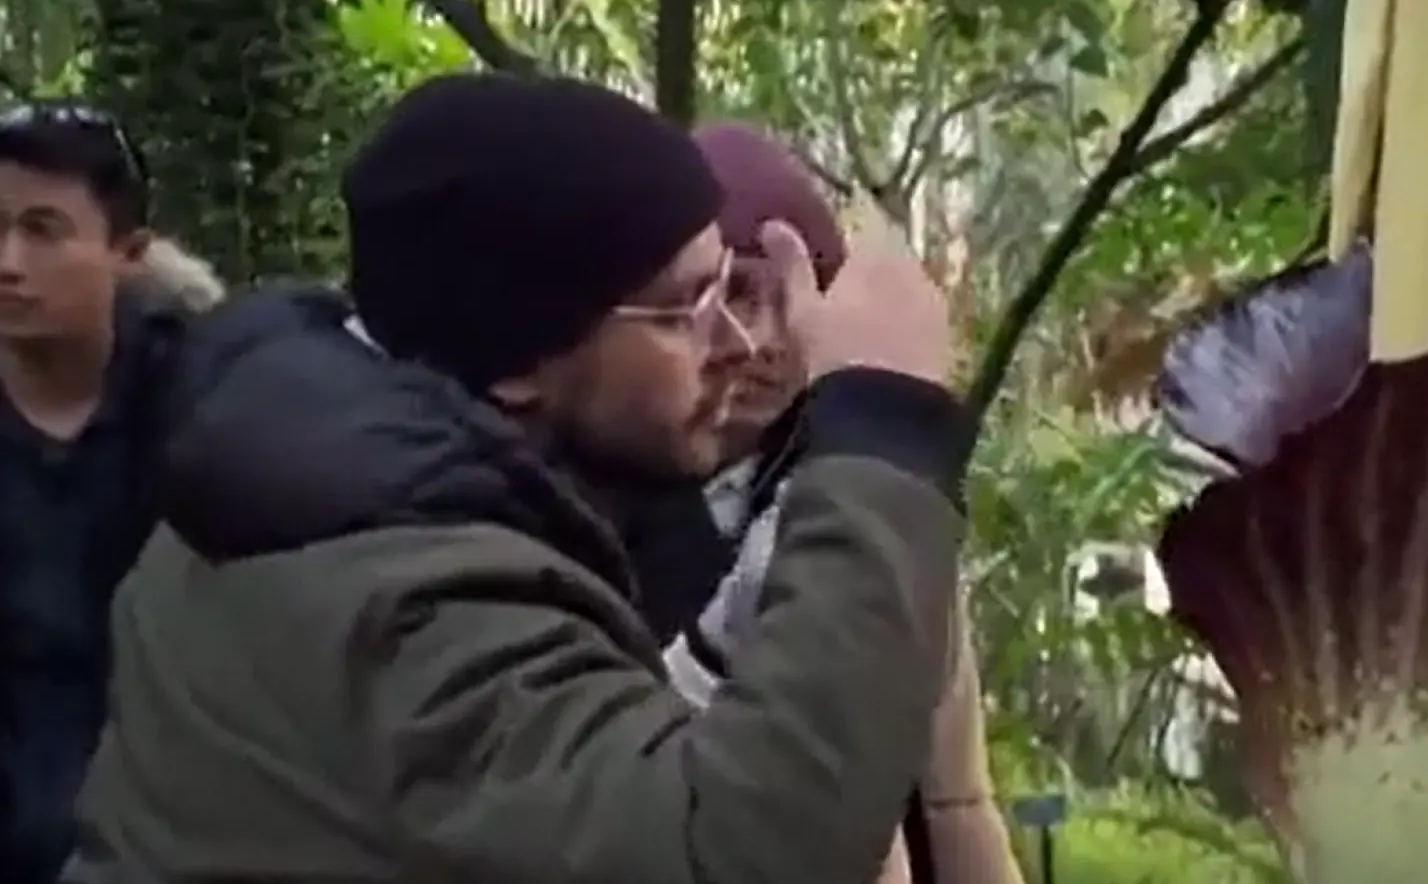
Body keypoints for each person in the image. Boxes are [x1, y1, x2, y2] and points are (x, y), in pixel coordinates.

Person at [64, 72, 969, 884]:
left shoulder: (321, 483)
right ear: (521, 360)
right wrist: (880, 434)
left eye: (725, 286)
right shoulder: (405, 597)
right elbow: (738, 853)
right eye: (681, 309)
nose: (732, 345)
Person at [668, 122, 1023, 884]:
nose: (764, 340)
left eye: (794, 300)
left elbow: (958, 800)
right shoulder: (583, 511)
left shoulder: (876, 508)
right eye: (734, 294)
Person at [0, 102, 223, 884]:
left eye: (43, 231)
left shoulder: (209, 404)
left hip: (175, 824)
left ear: (127, 253)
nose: (8, 262)